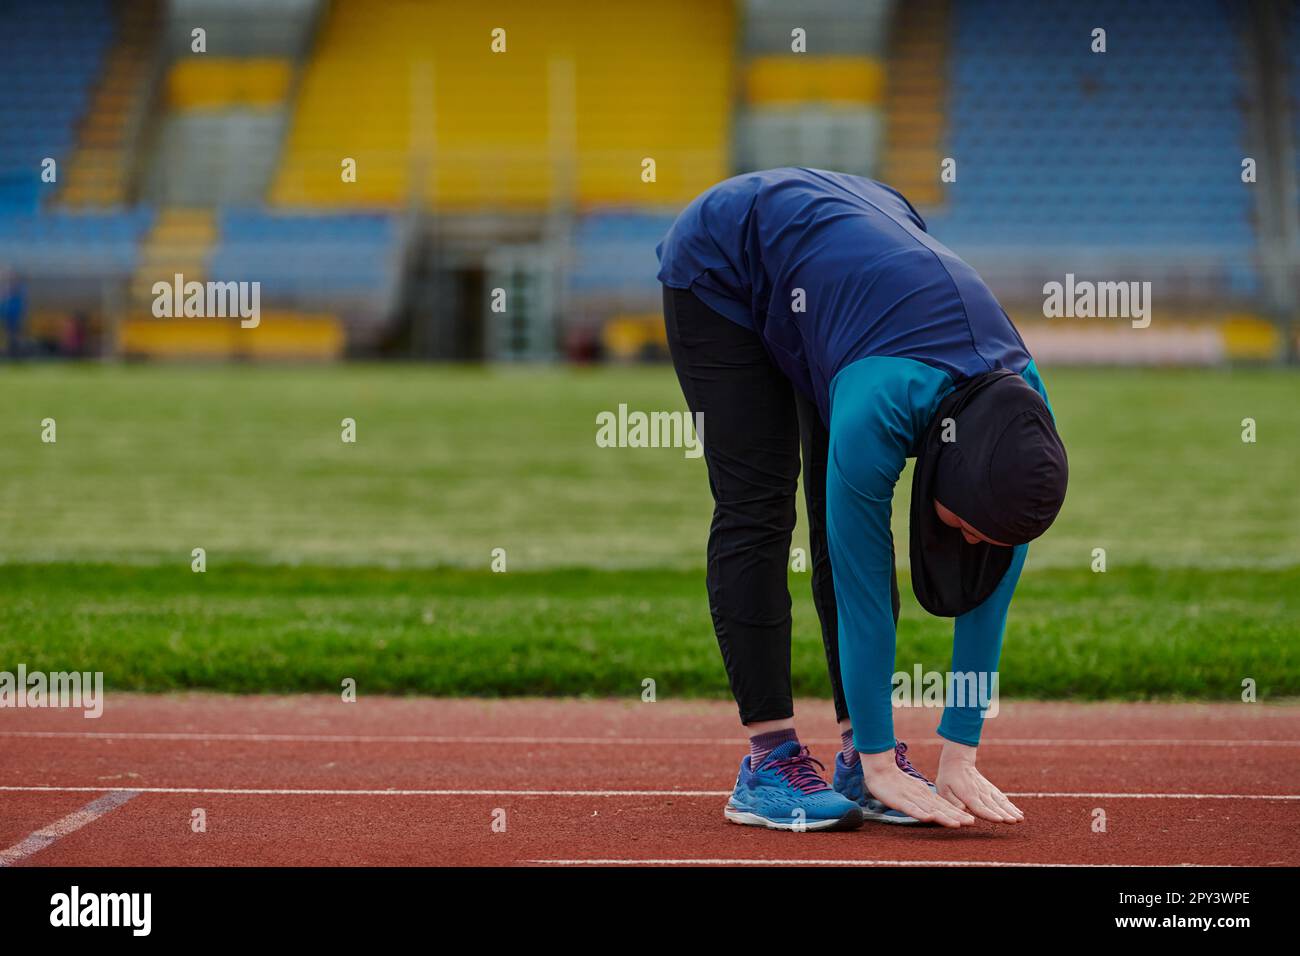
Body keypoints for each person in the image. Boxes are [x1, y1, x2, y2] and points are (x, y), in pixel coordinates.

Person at [656, 168, 1068, 831]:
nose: (966, 546)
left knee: (831, 504)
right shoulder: (878, 404)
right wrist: (884, 757)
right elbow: (862, 579)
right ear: (943, 475)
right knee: (760, 508)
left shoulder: (1021, 415)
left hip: (854, 261)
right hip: (728, 262)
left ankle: (857, 756)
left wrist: (961, 749)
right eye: (965, 528)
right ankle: (769, 761)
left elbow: (996, 576)